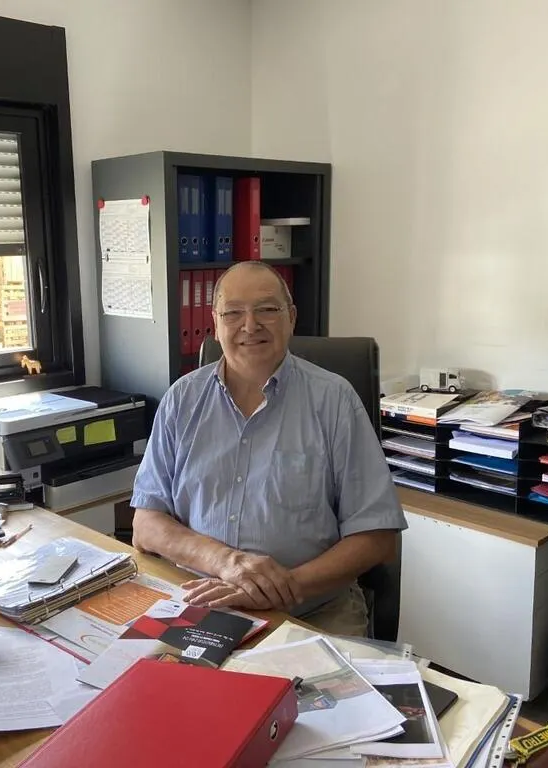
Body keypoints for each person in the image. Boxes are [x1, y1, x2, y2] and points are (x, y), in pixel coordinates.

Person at [131, 261, 406, 636]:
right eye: (234, 312)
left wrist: (277, 590)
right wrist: (227, 562)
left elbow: (376, 537)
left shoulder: (334, 400)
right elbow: (146, 524)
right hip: (199, 602)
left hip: (309, 611)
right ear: (215, 321)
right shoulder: (182, 399)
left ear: (291, 317)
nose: (250, 325)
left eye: (267, 309)